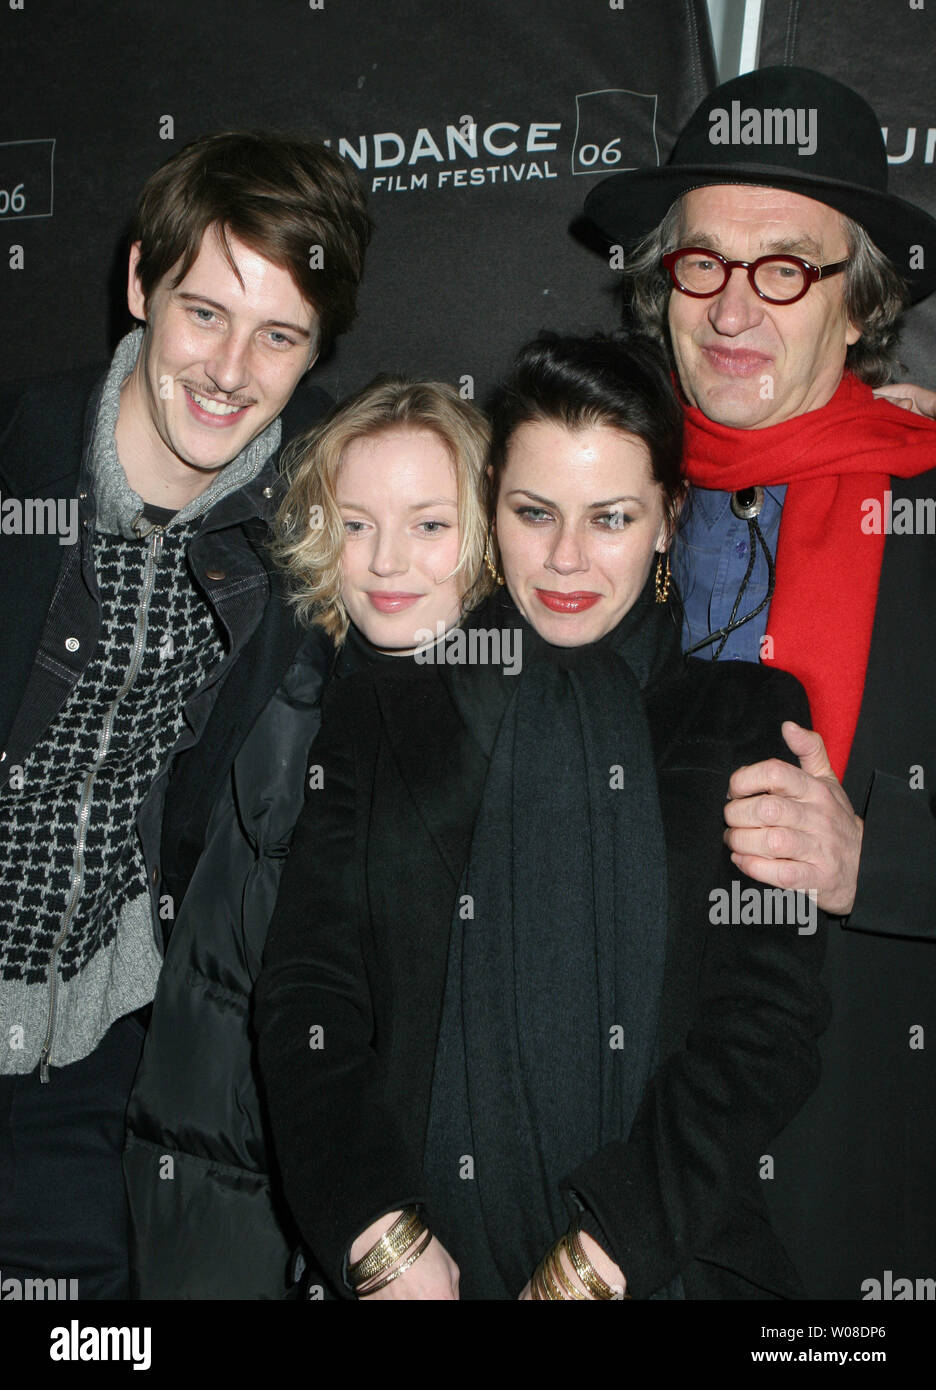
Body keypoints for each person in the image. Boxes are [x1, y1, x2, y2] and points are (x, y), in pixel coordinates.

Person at [255, 331, 829, 1300]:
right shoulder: (389, 707)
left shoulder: (746, 718)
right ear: (493, 505)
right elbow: (309, 991)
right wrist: (377, 1236)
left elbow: (764, 1026)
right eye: (534, 512)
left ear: (667, 519)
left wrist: (599, 1258)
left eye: (610, 517)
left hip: (666, 1266)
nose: (567, 558)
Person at [584, 65, 936, 1298]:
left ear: (859, 305)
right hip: (606, 1171)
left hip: (853, 1199)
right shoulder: (590, 510)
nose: (735, 309)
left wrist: (872, 860)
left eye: (785, 267)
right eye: (704, 265)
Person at [0, 129, 370, 1298]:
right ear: (138, 284)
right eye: (204, 311)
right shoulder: (19, 456)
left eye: (279, 336)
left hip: (91, 1064)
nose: (228, 369)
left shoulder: (318, 510)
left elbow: (535, 520)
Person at [124, 374, 493, 1298]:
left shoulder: (527, 724)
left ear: (491, 535)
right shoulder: (279, 706)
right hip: (241, 1190)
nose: (385, 559)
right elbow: (223, 1009)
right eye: (355, 522)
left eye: (430, 524)